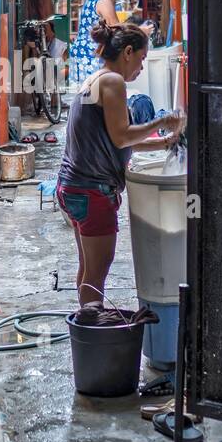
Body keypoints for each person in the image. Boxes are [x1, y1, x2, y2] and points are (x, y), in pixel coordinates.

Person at [56, 22, 185, 305]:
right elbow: (122, 135)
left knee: (88, 270)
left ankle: (87, 327)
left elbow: (118, 140)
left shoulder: (95, 80)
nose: (140, 68)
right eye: (141, 59)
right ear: (127, 52)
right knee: (97, 273)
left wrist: (165, 142)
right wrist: (162, 121)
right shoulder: (112, 82)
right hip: (92, 192)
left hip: (73, 188)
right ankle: (94, 334)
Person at [69, 0, 155, 79]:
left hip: (82, 53)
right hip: (90, 55)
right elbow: (118, 31)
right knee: (95, 94)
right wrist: (141, 30)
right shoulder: (104, 1)